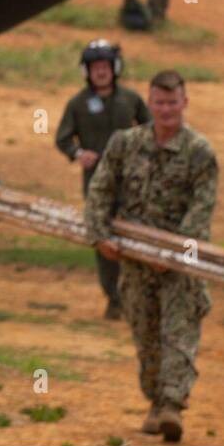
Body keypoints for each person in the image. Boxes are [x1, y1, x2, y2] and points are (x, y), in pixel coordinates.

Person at [85, 70, 217, 443]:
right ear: (150, 103)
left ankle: (173, 405)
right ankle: (156, 402)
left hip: (180, 266)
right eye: (159, 102)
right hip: (135, 262)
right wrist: (99, 234)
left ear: (184, 103)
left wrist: (174, 254)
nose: (166, 110)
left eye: (172, 102)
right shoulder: (125, 144)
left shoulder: (200, 152)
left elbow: (201, 211)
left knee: (178, 334)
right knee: (146, 337)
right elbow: (101, 188)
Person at [55, 40, 150, 319]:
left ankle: (139, 297)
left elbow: (150, 130)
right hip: (96, 183)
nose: (101, 72)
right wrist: (78, 153)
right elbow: (62, 138)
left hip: (131, 182)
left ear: (115, 68)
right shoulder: (78, 103)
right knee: (103, 237)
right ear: (86, 70)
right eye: (95, 67)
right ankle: (114, 299)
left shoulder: (131, 99)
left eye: (105, 66)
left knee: (136, 233)